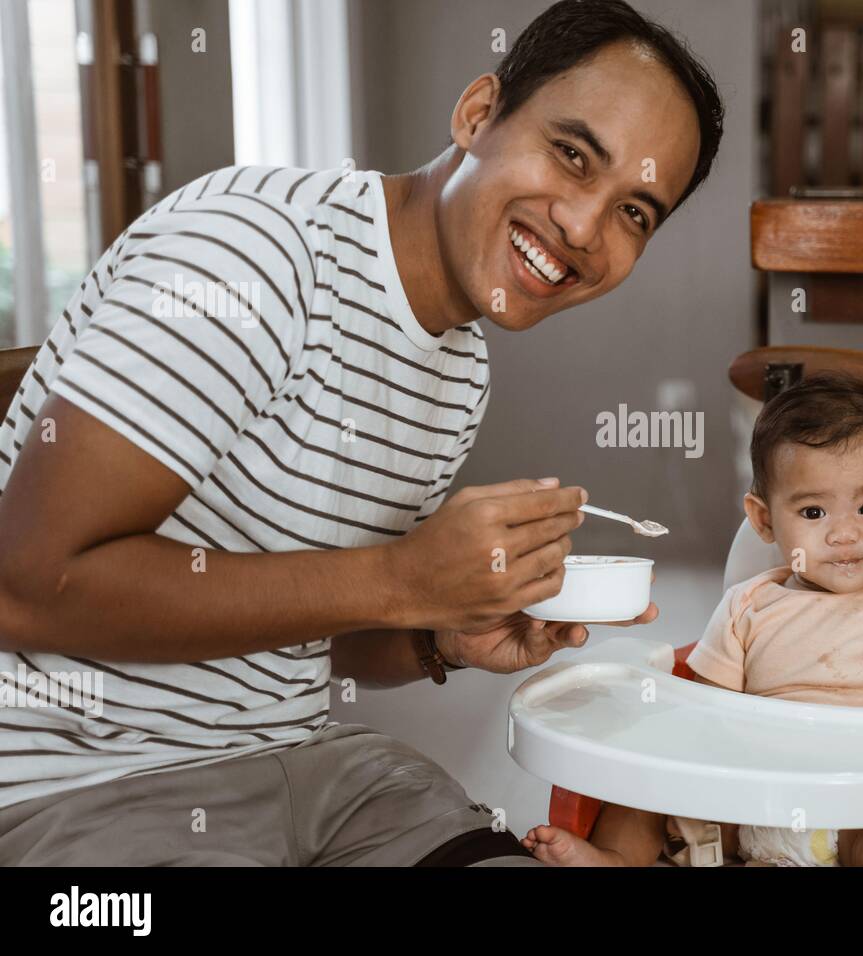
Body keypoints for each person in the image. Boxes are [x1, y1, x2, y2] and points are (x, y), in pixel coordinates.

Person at [0, 0, 724, 866]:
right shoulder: (250, 256)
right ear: (478, 112)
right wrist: (398, 576)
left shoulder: (459, 370)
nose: (581, 227)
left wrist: (437, 632)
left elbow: (312, 623)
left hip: (315, 772)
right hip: (80, 791)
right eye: (572, 155)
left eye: (634, 212)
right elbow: (29, 589)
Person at [522, 372, 863, 866]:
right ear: (763, 519)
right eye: (812, 512)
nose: (843, 534)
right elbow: (697, 712)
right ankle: (614, 859)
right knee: (638, 789)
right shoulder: (748, 605)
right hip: (751, 800)